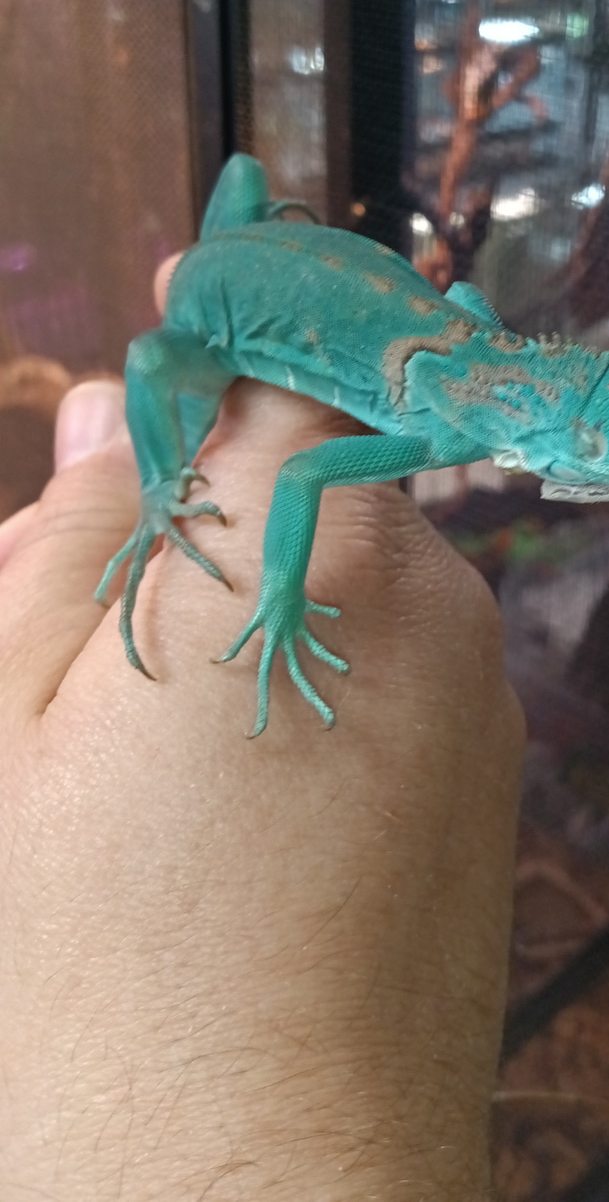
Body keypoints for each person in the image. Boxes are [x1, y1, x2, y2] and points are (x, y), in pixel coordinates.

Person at [0, 257, 526, 1200]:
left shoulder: (469, 399)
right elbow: (300, 461)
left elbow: (467, 306)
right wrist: (274, 589)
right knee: (152, 358)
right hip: (216, 310)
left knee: (230, 228)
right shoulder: (446, 425)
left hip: (255, 270)